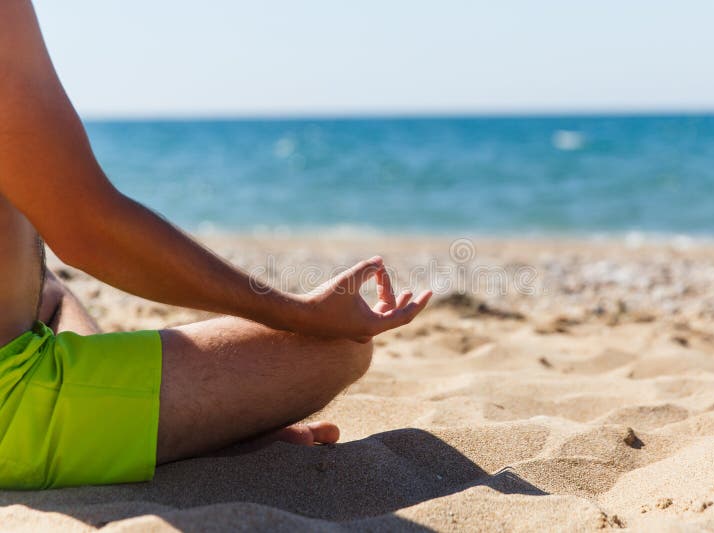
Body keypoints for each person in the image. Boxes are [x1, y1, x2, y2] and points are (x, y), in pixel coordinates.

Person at [0, 0, 432, 490]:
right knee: (338, 348)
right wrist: (298, 312)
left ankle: (156, 423)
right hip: (12, 415)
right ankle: (177, 439)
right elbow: (86, 229)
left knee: (53, 289)